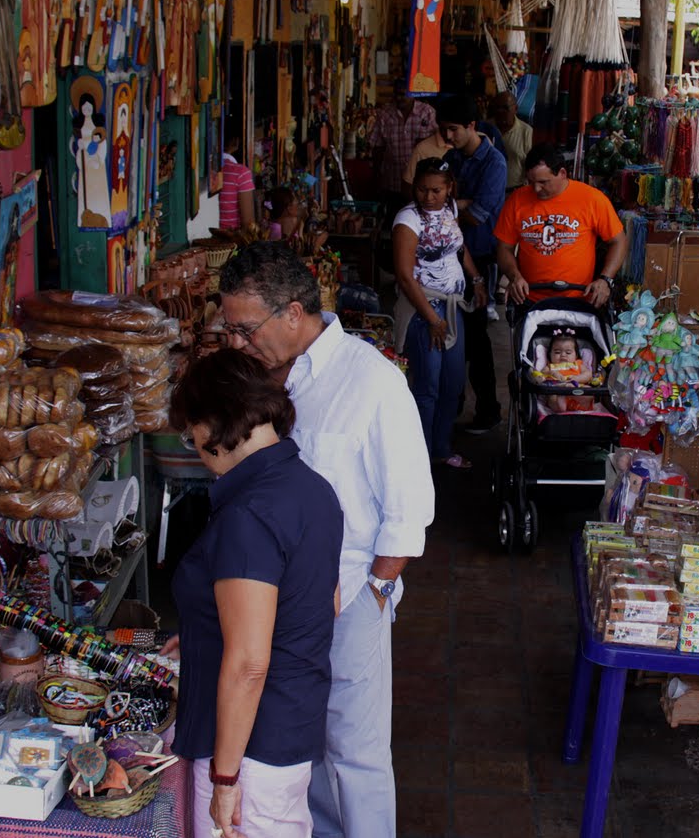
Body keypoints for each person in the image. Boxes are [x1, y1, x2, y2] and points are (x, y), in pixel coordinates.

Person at [218, 242, 433, 838]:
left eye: (244, 328)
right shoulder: (255, 379)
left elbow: (408, 511)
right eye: (228, 329)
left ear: (292, 313)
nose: (236, 342)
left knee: (356, 753)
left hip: (349, 601)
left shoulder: (373, 383)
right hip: (269, 606)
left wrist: (373, 594)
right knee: (295, 744)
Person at [165, 349, 344, 838]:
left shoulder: (247, 513)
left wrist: (226, 778)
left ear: (216, 421)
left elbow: (248, 664)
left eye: (192, 432)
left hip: (250, 749)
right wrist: (206, 631)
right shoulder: (313, 488)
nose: (195, 446)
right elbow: (321, 602)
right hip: (291, 726)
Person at [393, 157, 487, 469]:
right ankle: (419, 456)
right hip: (426, 311)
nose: (428, 197)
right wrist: (433, 320)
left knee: (453, 383)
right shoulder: (408, 220)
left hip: (453, 306)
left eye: (436, 190)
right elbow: (405, 276)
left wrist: (476, 279)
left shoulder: (451, 211)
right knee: (427, 387)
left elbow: (459, 248)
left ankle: (442, 448)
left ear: (449, 189)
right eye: (421, 190)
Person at [437, 96, 507, 435]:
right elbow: (440, 204)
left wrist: (450, 204)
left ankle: (489, 410)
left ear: (471, 126)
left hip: (478, 258)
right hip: (450, 256)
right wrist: (455, 204)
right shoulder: (451, 158)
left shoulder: (494, 163)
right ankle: (453, 404)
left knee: (477, 339)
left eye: (453, 130)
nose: (448, 137)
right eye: (444, 130)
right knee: (452, 333)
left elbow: (478, 216)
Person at [494, 144, 627, 308]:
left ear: (562, 173)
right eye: (531, 182)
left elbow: (618, 241)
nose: (536, 188)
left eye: (543, 182)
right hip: (529, 299)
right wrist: (515, 277)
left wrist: (605, 280)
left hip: (579, 298)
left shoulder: (591, 199)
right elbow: (504, 247)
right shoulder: (517, 200)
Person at [368, 76, 437, 212]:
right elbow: (378, 147)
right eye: (396, 94)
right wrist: (376, 175)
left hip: (421, 183)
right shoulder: (384, 114)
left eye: (402, 94)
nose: (398, 98)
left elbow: (438, 143)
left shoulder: (427, 112)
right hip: (393, 182)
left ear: (412, 94)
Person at [537, 332, 596, 413]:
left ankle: (571, 394)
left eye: (568, 352)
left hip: (576, 389)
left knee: (588, 390)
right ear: (550, 354)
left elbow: (588, 375)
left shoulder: (577, 364)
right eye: (557, 352)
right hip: (557, 391)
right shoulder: (550, 366)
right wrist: (553, 373)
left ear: (576, 355)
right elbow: (541, 374)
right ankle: (561, 402)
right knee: (551, 398)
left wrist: (577, 378)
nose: (563, 355)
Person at [488, 91, 533, 189]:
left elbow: (532, 165)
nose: (500, 112)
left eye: (505, 108)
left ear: (515, 109)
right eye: (497, 108)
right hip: (489, 190)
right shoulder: (486, 128)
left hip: (515, 191)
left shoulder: (526, 132)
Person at [219, 145, 257, 230]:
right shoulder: (241, 172)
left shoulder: (207, 168)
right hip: (232, 238)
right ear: (235, 142)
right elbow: (248, 223)